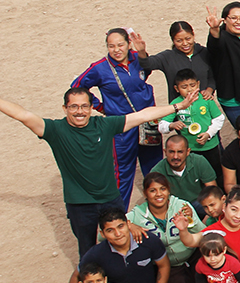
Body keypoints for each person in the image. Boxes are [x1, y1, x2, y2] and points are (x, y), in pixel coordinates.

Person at [0, 85, 193, 257]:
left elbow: (143, 115)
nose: (79, 111)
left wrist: (177, 107)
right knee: (87, 250)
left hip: (110, 198)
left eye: (84, 106)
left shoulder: (104, 125)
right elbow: (23, 115)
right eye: (73, 106)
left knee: (122, 242)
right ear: (65, 108)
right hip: (79, 204)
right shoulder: (55, 130)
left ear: (91, 108)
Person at [71, 28, 165, 207]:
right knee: (123, 173)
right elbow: (77, 86)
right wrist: (99, 106)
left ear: (128, 45)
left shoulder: (137, 58)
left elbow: (147, 71)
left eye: (120, 45)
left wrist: (143, 52)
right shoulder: (99, 68)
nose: (116, 50)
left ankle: (159, 211)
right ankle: (116, 217)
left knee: (154, 168)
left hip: (148, 123)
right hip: (122, 127)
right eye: (111, 46)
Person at [132, 22, 215, 101]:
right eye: (179, 41)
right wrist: (141, 51)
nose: (185, 43)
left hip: (204, 105)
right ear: (173, 40)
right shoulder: (167, 57)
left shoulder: (205, 53)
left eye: (188, 38)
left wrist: (209, 90)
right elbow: (148, 64)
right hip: (180, 109)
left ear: (193, 36)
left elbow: (213, 75)